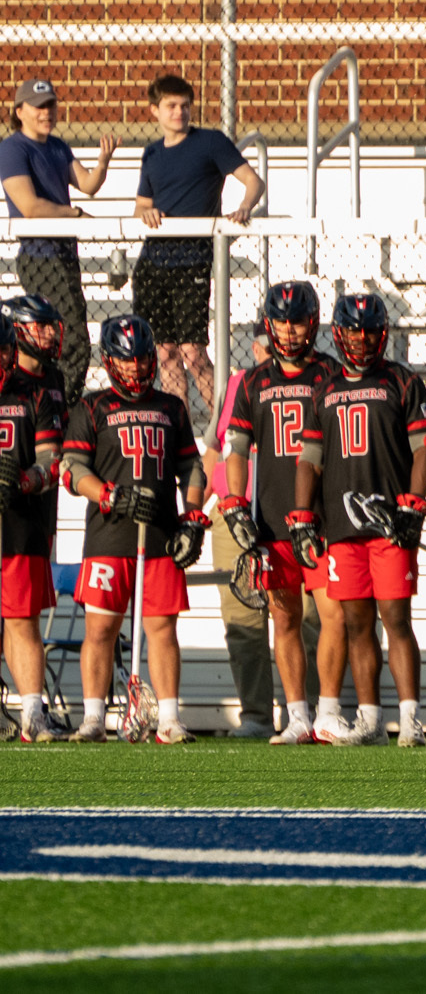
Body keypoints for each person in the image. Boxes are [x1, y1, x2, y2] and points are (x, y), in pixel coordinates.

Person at [293, 293, 426, 748]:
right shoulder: (325, 388)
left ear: (382, 333)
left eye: (368, 330)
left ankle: (410, 717)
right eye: (353, 330)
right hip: (343, 524)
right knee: (357, 622)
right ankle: (371, 718)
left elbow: (424, 448)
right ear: (338, 332)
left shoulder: (402, 380)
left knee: (396, 617)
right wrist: (301, 516)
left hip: (389, 521)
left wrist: (414, 501)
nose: (360, 338)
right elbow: (310, 460)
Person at [63, 315, 208, 743]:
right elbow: (72, 471)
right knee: (101, 629)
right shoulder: (92, 407)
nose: (135, 369)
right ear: (109, 362)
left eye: (142, 360)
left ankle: (168, 718)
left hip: (160, 536)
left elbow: (191, 467)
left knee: (163, 629)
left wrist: (192, 517)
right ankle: (92, 718)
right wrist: (111, 496)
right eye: (126, 361)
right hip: (110, 535)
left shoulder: (171, 407)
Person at [221, 282, 345, 745]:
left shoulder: (331, 374)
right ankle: (296, 716)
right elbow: (236, 447)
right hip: (272, 518)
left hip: (324, 518)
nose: (289, 331)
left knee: (333, 617)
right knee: (285, 618)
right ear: (268, 324)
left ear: (312, 323)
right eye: (281, 321)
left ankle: (328, 712)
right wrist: (235, 500)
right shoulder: (253, 381)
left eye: (296, 321)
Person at [131, 73, 263, 424]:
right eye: (172, 106)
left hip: (193, 260)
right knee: (166, 353)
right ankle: (180, 435)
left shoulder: (210, 143)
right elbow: (140, 206)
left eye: (185, 106)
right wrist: (148, 212)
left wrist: (245, 206)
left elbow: (253, 181)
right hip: (154, 262)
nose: (180, 112)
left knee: (193, 351)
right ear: (154, 110)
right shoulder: (152, 153)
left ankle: (227, 426)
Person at [0, 78, 116, 401]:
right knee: (72, 341)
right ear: (20, 111)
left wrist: (103, 162)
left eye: (50, 105)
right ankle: (58, 409)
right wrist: (75, 215)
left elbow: (89, 184)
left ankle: (51, 407)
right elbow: (29, 207)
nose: (46, 112)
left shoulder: (58, 146)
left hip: (64, 254)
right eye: (38, 107)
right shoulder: (12, 148)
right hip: (40, 256)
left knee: (61, 341)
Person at [202, 326, 274, 737]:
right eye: (265, 343)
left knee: (308, 618)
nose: (270, 350)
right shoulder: (237, 384)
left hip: (285, 513)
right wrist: (195, 509)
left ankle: (317, 711)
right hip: (234, 513)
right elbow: (215, 448)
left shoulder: (315, 382)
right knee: (242, 618)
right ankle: (256, 716)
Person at [0, 319, 61, 742]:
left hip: (19, 522)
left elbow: (51, 461)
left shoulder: (34, 394)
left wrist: (24, 479)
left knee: (23, 620)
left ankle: (33, 715)